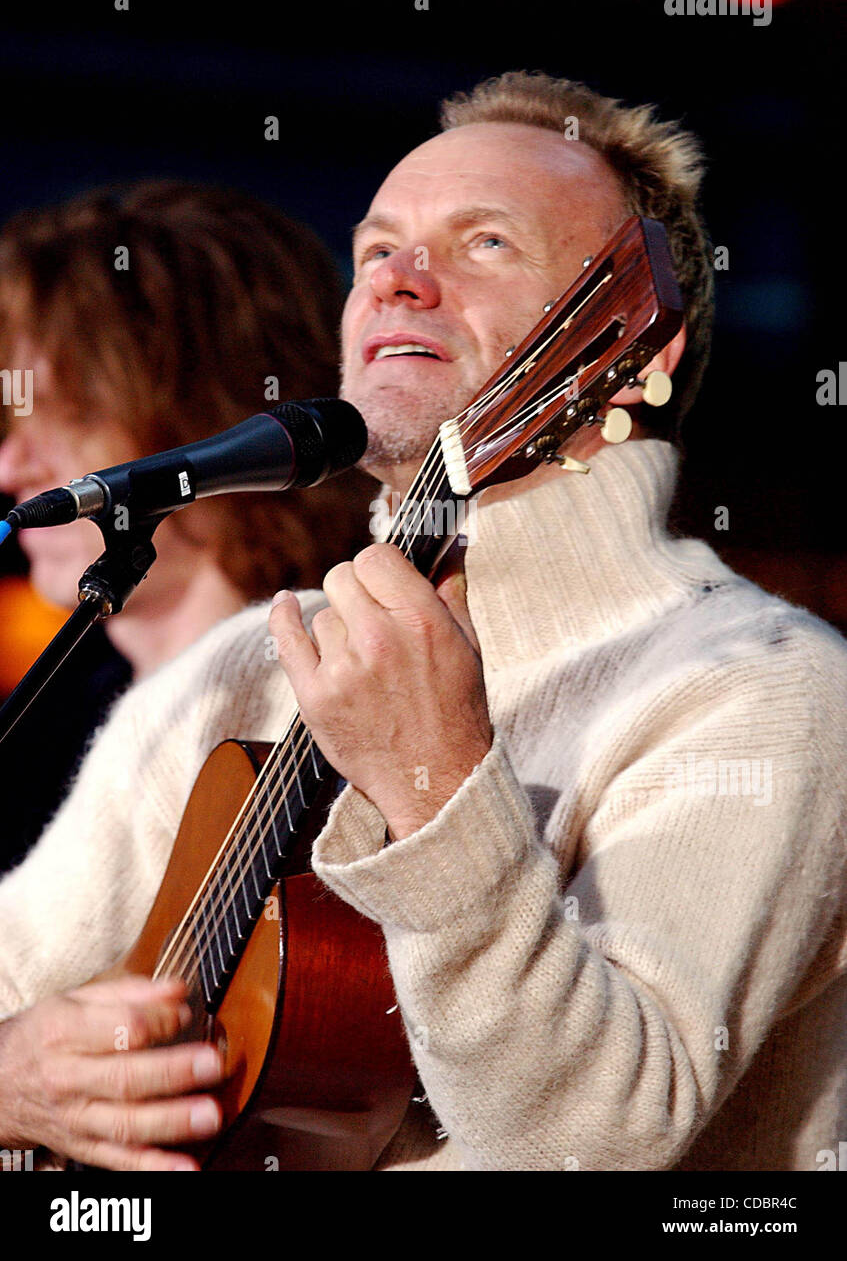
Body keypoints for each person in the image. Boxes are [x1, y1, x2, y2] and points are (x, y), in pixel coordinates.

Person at [0, 72, 845, 1172]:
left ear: (634, 351)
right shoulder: (242, 666)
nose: (399, 279)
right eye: (375, 250)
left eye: (484, 242)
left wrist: (440, 786)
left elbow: (590, 1139)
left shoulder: (761, 687)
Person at [0, 181, 372, 869]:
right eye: (12, 423)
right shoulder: (39, 733)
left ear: (218, 418)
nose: (9, 467)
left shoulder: (364, 702)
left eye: (73, 413)